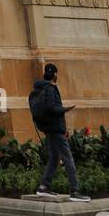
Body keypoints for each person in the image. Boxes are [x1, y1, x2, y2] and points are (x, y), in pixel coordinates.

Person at [30, 62, 90, 200]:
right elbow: (52, 108)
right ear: (55, 75)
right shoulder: (51, 88)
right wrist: (65, 109)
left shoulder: (40, 88)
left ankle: (44, 186)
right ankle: (75, 191)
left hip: (48, 128)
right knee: (68, 159)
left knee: (54, 158)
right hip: (56, 129)